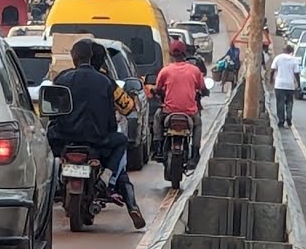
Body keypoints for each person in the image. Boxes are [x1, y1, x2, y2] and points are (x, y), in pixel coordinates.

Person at [49, 39, 145, 229]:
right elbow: (127, 107)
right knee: (121, 141)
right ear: (93, 57)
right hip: (99, 141)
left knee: (46, 141)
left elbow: (52, 108)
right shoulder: (106, 82)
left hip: (65, 138)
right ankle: (106, 177)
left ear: (73, 58)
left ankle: (50, 181)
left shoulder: (61, 79)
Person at [154, 40, 207, 169]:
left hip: (169, 111)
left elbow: (158, 88)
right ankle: (195, 154)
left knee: (157, 117)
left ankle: (158, 149)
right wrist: (205, 92)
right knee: (198, 124)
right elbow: (202, 88)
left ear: (171, 54)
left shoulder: (165, 71)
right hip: (190, 112)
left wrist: (156, 92)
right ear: (185, 53)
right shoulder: (195, 71)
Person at [269, 44, 301, 128]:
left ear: (283, 50)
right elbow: (297, 73)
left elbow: (272, 70)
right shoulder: (294, 60)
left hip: (279, 84)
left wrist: (271, 79)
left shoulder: (278, 58)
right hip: (290, 85)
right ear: (292, 51)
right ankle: (289, 116)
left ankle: (281, 120)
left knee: (280, 102)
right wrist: (298, 84)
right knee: (289, 102)